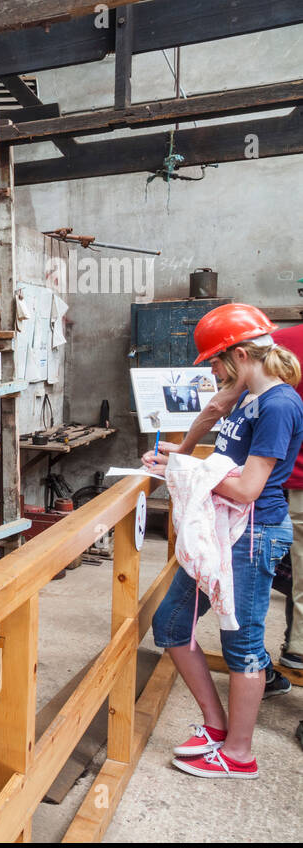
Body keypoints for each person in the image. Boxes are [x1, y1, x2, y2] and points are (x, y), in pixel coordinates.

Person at [142, 303, 303, 779]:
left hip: (252, 533)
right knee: (170, 623)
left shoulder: (277, 404)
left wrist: (184, 468)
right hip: (224, 527)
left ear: (238, 354)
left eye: (214, 360)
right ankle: (216, 727)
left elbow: (249, 487)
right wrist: (184, 451)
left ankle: (239, 755)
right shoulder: (248, 390)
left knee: (244, 645)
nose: (211, 369)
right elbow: (218, 423)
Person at [259, 321, 303, 672]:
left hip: (278, 475)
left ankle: (295, 646)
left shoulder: (281, 342)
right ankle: (296, 648)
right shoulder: (281, 344)